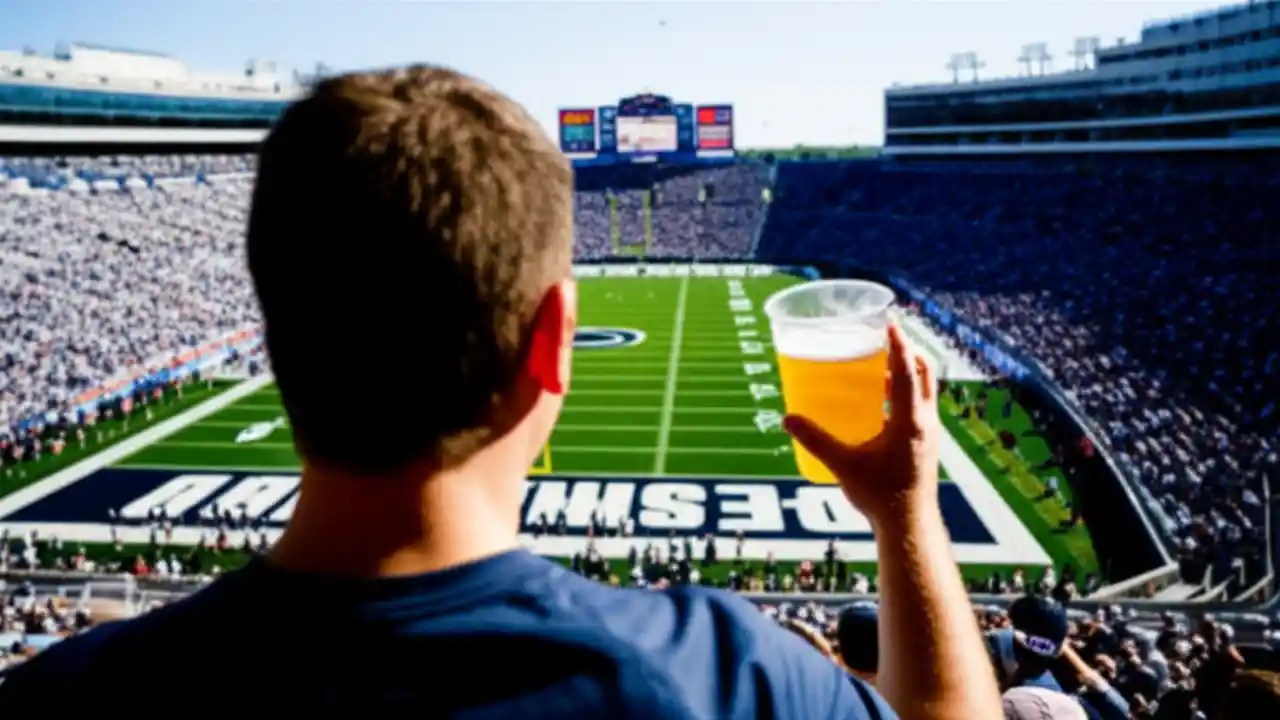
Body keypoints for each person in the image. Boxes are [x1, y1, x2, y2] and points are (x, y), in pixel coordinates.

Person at [0, 66, 1000, 719]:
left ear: (278, 332)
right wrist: (902, 515)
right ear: (552, 343)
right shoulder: (710, 678)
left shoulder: (66, 699)